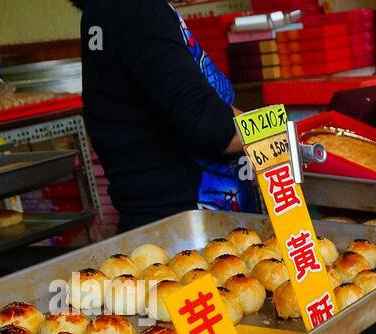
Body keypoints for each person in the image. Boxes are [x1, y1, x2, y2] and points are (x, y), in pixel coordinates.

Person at [72, 0, 251, 231]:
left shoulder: (106, 10)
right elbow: (214, 127)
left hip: (173, 222)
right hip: (185, 232)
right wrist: (281, 131)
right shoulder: (134, 9)